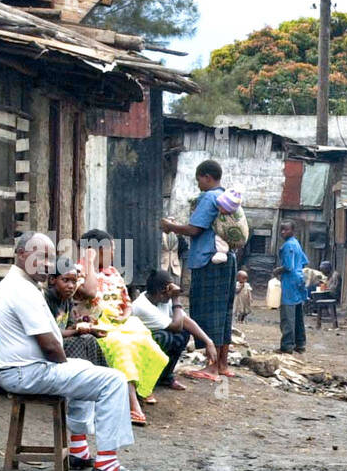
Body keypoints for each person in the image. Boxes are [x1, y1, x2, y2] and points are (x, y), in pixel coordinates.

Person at [0, 232, 143, 471]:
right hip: (26, 372)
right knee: (114, 380)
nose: (48, 264)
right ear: (21, 255)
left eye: (51, 258)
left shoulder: (20, 284)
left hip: (22, 370)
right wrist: (64, 366)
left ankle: (79, 450)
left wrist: (69, 367)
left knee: (85, 368)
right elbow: (50, 345)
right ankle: (107, 464)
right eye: (41, 257)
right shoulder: (21, 289)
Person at [75, 229, 168, 426]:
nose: (113, 255)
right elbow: (90, 292)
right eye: (110, 250)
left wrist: (124, 315)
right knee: (122, 346)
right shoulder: (76, 272)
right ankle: (133, 404)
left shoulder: (114, 273)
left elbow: (127, 302)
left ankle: (142, 388)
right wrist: (89, 262)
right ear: (94, 251)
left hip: (120, 324)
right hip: (94, 325)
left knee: (150, 347)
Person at [161, 159, 235, 381]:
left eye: (199, 180)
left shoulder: (209, 197)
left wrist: (170, 227)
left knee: (208, 311)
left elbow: (194, 229)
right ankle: (222, 364)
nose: (199, 185)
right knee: (224, 311)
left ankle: (211, 368)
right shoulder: (227, 198)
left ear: (207, 177)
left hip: (208, 261)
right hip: (227, 260)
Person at [133, 270, 219, 391]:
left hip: (153, 340)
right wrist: (175, 299)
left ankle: (165, 377)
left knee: (183, 334)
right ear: (161, 292)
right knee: (165, 337)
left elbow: (186, 321)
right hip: (138, 348)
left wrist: (208, 342)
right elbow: (176, 326)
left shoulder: (161, 299)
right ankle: (146, 380)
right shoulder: (142, 306)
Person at [45, 266, 108, 366]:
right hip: (48, 347)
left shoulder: (67, 299)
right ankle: (78, 379)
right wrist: (78, 331)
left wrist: (83, 326)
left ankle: (97, 377)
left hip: (61, 341)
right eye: (65, 280)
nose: (71, 286)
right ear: (52, 280)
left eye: (74, 282)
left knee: (89, 339)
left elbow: (69, 326)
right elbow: (51, 334)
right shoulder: (45, 299)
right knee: (77, 342)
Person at [272, 220, 309, 353]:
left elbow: (288, 266)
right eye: (281, 229)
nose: (283, 232)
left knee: (288, 315)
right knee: (298, 314)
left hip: (290, 282)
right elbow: (304, 261)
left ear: (293, 231)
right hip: (299, 280)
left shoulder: (288, 246)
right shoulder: (296, 243)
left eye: (286, 229)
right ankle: (300, 344)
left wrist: (277, 271)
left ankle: (287, 346)